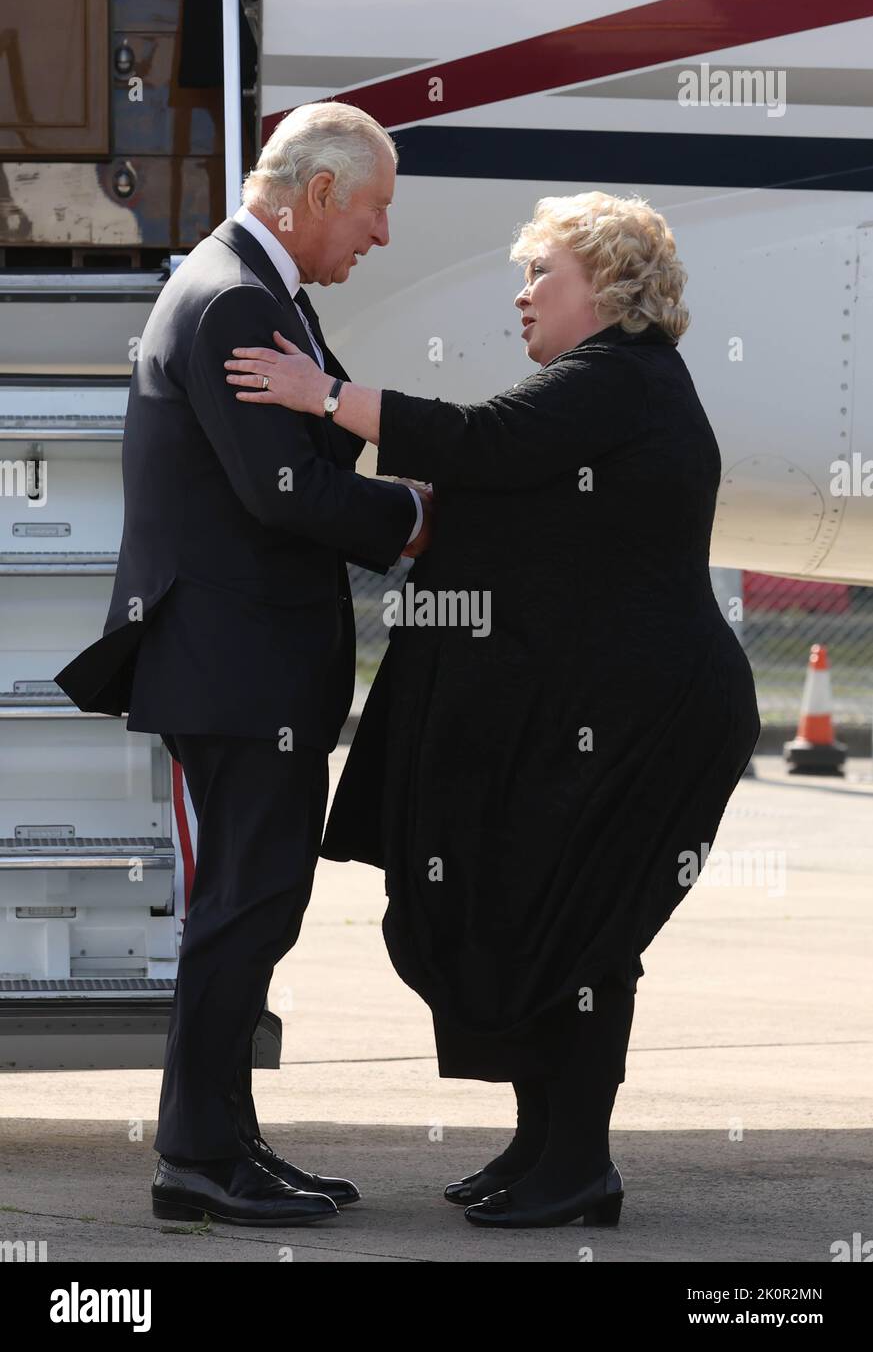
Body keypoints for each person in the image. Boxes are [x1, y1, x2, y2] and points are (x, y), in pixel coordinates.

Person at [225, 189, 762, 1230]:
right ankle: (540, 1148)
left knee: (585, 934)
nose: (520, 296)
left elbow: (478, 442)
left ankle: (580, 1169)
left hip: (656, 719)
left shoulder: (620, 378)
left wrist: (321, 395)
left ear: (604, 287)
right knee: (532, 912)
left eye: (539, 276)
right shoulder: (602, 384)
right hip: (616, 707)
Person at [54, 102, 432, 1228]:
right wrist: (417, 521)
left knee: (256, 906)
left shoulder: (260, 293)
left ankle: (228, 1142)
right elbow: (288, 491)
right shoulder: (232, 301)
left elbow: (331, 429)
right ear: (318, 195)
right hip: (236, 670)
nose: (380, 237)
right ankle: (197, 1159)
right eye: (373, 213)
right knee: (243, 908)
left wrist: (438, 464)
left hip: (247, 666)